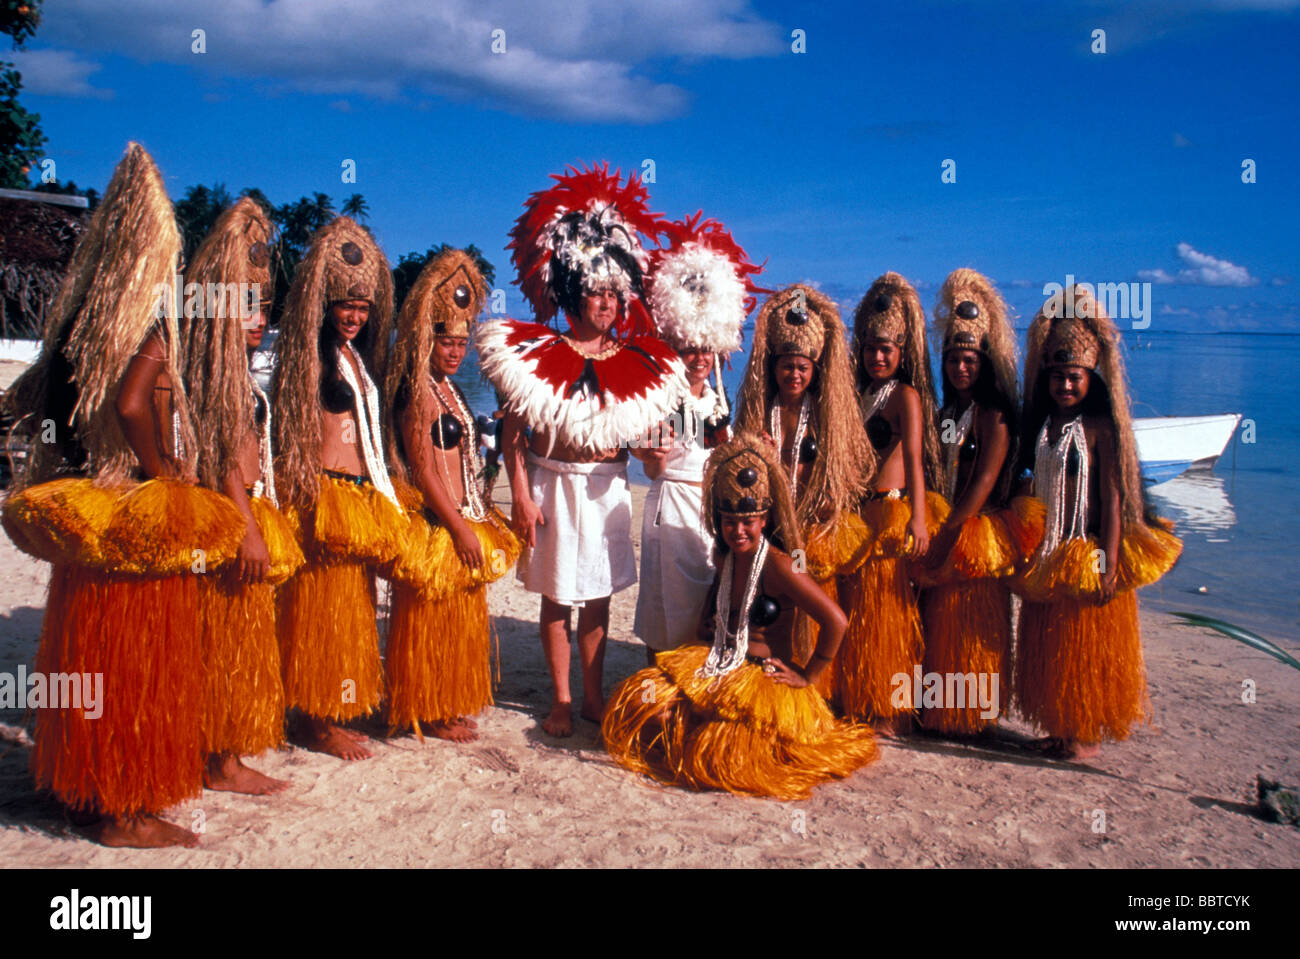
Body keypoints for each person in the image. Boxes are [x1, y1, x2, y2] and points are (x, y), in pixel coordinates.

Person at [2, 143, 246, 847]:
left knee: (85, 656)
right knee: (136, 664)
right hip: (130, 510)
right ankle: (125, 808)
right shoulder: (140, 319)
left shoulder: (77, 321)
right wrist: (167, 470)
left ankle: (81, 787)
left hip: (82, 509)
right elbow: (136, 403)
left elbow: (30, 402)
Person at [477, 163, 687, 737]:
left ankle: (593, 696)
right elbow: (513, 433)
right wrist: (520, 494)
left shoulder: (641, 364)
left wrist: (655, 459)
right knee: (556, 598)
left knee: (596, 598)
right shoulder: (538, 354)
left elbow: (642, 448)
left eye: (614, 294)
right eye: (596, 292)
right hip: (553, 487)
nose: (607, 304)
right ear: (574, 290)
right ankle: (562, 700)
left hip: (608, 490)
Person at [602, 434, 878, 800]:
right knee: (641, 703)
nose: (738, 531)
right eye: (729, 522)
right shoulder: (725, 557)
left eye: (748, 522)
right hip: (721, 670)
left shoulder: (780, 566)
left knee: (720, 756)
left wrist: (808, 676)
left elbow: (836, 621)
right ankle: (695, 724)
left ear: (765, 519)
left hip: (765, 686)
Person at [1013, 286, 1181, 759]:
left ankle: (1083, 734)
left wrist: (1107, 563)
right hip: (1048, 553)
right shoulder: (1043, 427)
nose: (1064, 386)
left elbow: (1112, 497)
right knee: (1051, 644)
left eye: (1074, 378)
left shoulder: (1102, 428)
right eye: (1057, 378)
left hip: (1086, 551)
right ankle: (1060, 726)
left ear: (1092, 378)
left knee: (1082, 648)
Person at [271, 216, 406, 761]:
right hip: (324, 494)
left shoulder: (354, 359)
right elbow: (292, 429)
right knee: (319, 610)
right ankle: (313, 720)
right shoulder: (310, 358)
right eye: (345, 305)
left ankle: (330, 705)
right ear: (323, 304)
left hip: (356, 494)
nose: (354, 316)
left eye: (363, 307)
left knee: (351, 608)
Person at [181, 197, 303, 792]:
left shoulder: (231, 366)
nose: (259, 321)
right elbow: (223, 458)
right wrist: (248, 527)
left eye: (264, 309)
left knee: (239, 639)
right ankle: (221, 761)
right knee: (230, 642)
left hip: (245, 510)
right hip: (232, 518)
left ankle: (219, 754)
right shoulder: (221, 371)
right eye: (248, 308)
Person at [383, 249, 520, 742]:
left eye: (461, 343)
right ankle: (425, 707)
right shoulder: (416, 390)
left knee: (457, 621)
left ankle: (444, 701)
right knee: (429, 620)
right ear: (427, 338)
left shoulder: (449, 390)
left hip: (462, 516)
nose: (455, 352)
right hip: (438, 522)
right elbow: (421, 468)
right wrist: (459, 528)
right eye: (446, 341)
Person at [916, 268, 1043, 735]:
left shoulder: (993, 414)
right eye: (952, 360)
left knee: (970, 627)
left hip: (977, 532)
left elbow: (986, 478)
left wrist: (950, 533)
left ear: (984, 362)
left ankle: (969, 716)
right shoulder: (948, 412)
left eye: (969, 360)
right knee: (940, 623)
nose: (960, 368)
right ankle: (940, 711)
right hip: (948, 524)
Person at [630, 214, 761, 663]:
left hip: (710, 512)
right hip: (670, 508)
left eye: (707, 348)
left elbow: (720, 451)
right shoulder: (657, 395)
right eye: (690, 348)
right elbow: (648, 463)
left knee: (707, 604)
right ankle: (658, 687)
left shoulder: (718, 394)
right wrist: (648, 455)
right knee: (664, 608)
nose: (700, 357)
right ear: (674, 345)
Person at [732, 284, 874, 671]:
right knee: (772, 611)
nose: (793, 374)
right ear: (773, 366)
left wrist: (830, 500)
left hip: (812, 530)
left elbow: (848, 468)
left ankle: (811, 682)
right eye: (786, 366)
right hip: (772, 530)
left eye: (802, 367)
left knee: (808, 610)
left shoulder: (828, 416)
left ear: (814, 369)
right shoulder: (761, 412)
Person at [833, 272, 944, 733]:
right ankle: (863, 696)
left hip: (893, 512)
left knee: (889, 615)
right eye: (872, 349)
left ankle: (890, 709)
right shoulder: (858, 395)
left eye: (887, 351)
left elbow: (916, 459)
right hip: (860, 514)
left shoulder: (906, 396)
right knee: (860, 613)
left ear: (902, 354)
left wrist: (918, 519)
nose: (878, 358)